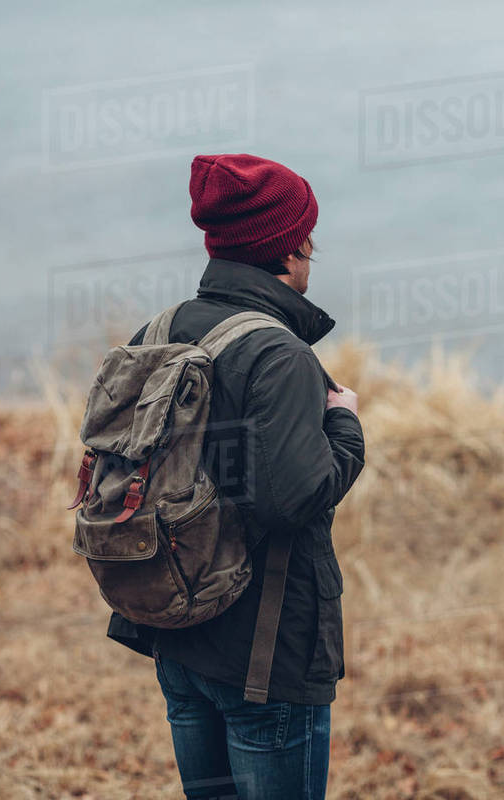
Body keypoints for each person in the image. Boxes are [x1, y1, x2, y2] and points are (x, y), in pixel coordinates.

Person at [105, 153, 366, 799]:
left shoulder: (159, 330)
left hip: (174, 633)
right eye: (308, 237)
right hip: (262, 656)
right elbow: (292, 499)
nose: (312, 250)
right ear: (290, 246)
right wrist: (346, 426)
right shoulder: (279, 353)